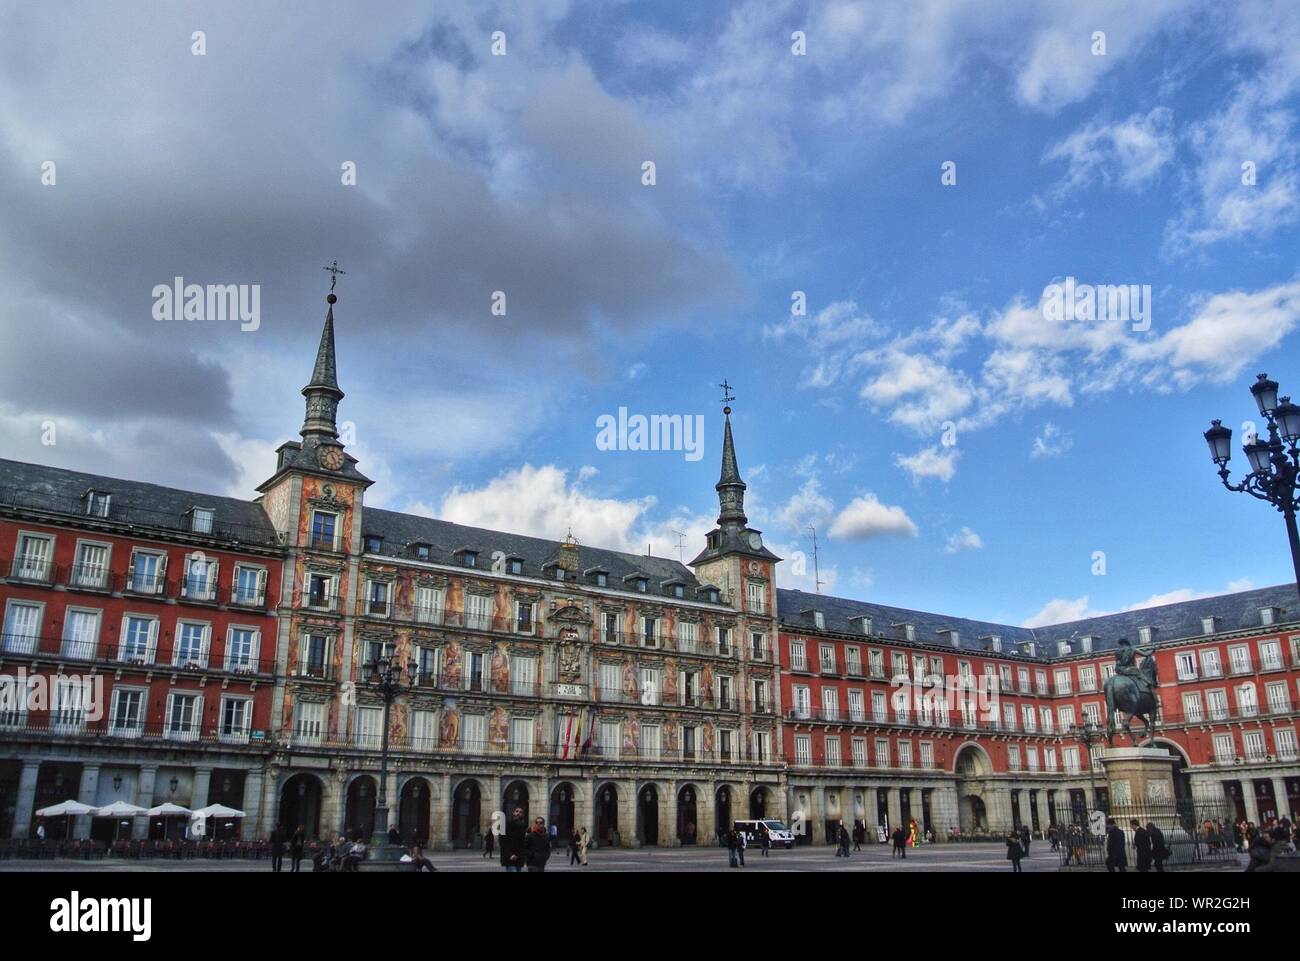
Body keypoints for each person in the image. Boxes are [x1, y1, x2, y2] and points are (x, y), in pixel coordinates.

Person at [501, 807, 527, 872]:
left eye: (520, 812)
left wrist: (523, 855)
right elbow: (502, 842)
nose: (518, 813)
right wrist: (509, 854)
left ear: (523, 815)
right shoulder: (505, 824)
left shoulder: (523, 826)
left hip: (519, 857)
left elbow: (523, 843)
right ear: (513, 813)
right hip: (510, 857)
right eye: (516, 811)